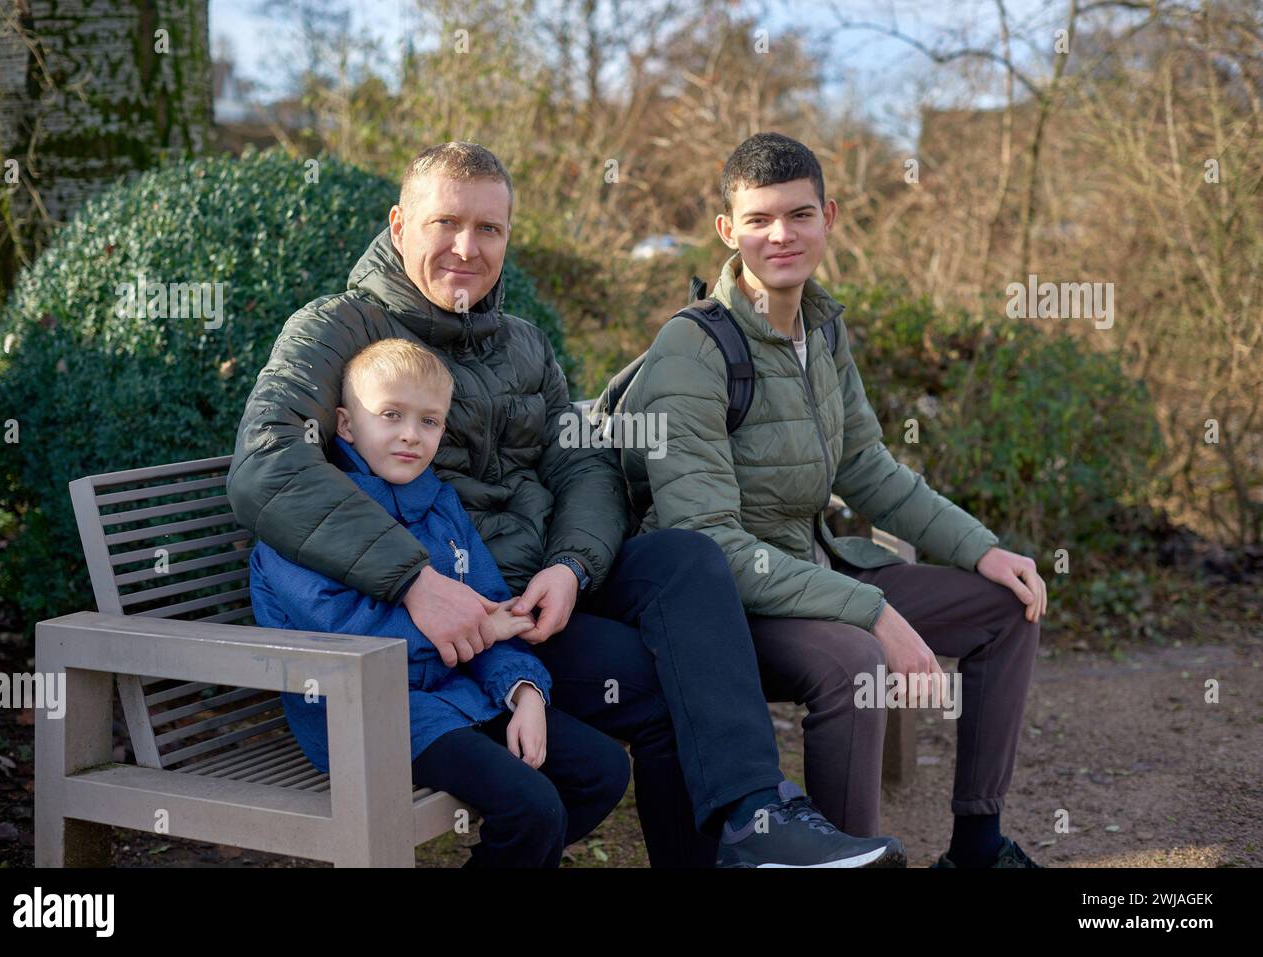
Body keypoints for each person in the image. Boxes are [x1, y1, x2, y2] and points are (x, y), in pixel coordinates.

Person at [228, 140, 905, 868]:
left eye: (490, 229)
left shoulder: (523, 343)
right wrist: (414, 580)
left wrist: (572, 567)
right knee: (657, 683)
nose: (467, 247)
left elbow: (585, 463)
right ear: (399, 226)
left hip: (538, 593)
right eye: (445, 223)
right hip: (449, 621)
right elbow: (267, 466)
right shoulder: (337, 329)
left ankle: (751, 816)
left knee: (685, 558)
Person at [614, 132, 1047, 868]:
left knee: (1006, 606)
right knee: (855, 661)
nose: (780, 235)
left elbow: (868, 470)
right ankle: (839, 862)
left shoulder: (824, 325)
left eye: (799, 214)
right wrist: (875, 611)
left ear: (829, 217)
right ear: (728, 231)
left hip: (819, 565)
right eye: (758, 220)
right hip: (730, 603)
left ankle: (977, 846)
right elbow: (707, 542)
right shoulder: (692, 350)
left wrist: (983, 547)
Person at [249, 338, 629, 867]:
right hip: (368, 713)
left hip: (461, 694)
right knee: (532, 806)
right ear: (347, 423)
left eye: (429, 421)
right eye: (391, 415)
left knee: (601, 770)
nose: (411, 434)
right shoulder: (303, 522)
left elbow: (494, 608)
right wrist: (479, 629)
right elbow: (347, 638)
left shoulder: (442, 505)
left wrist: (524, 692)